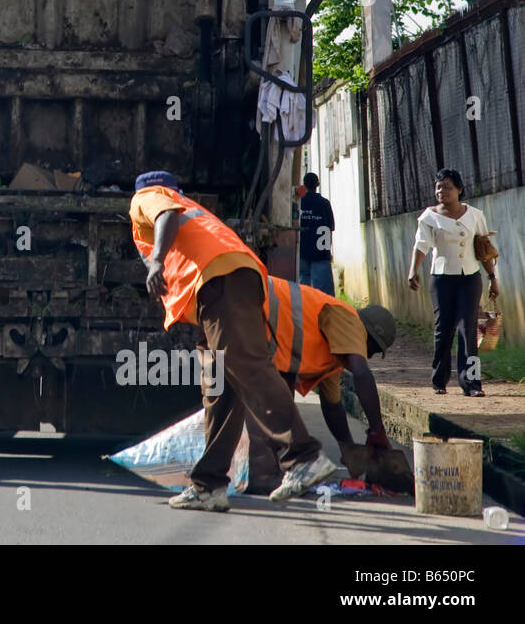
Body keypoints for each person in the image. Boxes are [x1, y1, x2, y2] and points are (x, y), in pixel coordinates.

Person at [130, 169, 335, 511]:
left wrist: (157, 264)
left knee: (248, 367)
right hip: (224, 287)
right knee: (220, 392)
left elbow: (165, 215)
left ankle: (302, 455)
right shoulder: (190, 207)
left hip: (222, 282)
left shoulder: (149, 198)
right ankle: (208, 485)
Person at [252, 279, 396, 469]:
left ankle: (262, 468)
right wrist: (377, 430)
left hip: (267, 331)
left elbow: (332, 406)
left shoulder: (335, 357)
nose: (369, 356)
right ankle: (259, 468)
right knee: (269, 404)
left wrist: (349, 447)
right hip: (255, 302)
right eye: (373, 350)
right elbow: (362, 374)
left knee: (281, 405)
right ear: (367, 335)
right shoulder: (350, 321)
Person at [407, 168, 499, 397]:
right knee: (443, 329)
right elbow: (421, 246)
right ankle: (439, 380)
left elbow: (483, 247)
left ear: (459, 189)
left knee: (468, 330)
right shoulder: (429, 217)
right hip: (441, 279)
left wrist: (492, 278)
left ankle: (472, 384)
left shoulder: (475, 215)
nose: (442, 191)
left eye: (448, 187)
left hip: (470, 278)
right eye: (439, 187)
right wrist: (413, 271)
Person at [297, 172, 335, 294]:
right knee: (323, 290)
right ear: (317, 185)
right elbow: (330, 227)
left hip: (302, 249)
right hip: (321, 250)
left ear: (304, 185)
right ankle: (323, 311)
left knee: (303, 285)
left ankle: (304, 310)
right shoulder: (324, 203)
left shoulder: (299, 203)